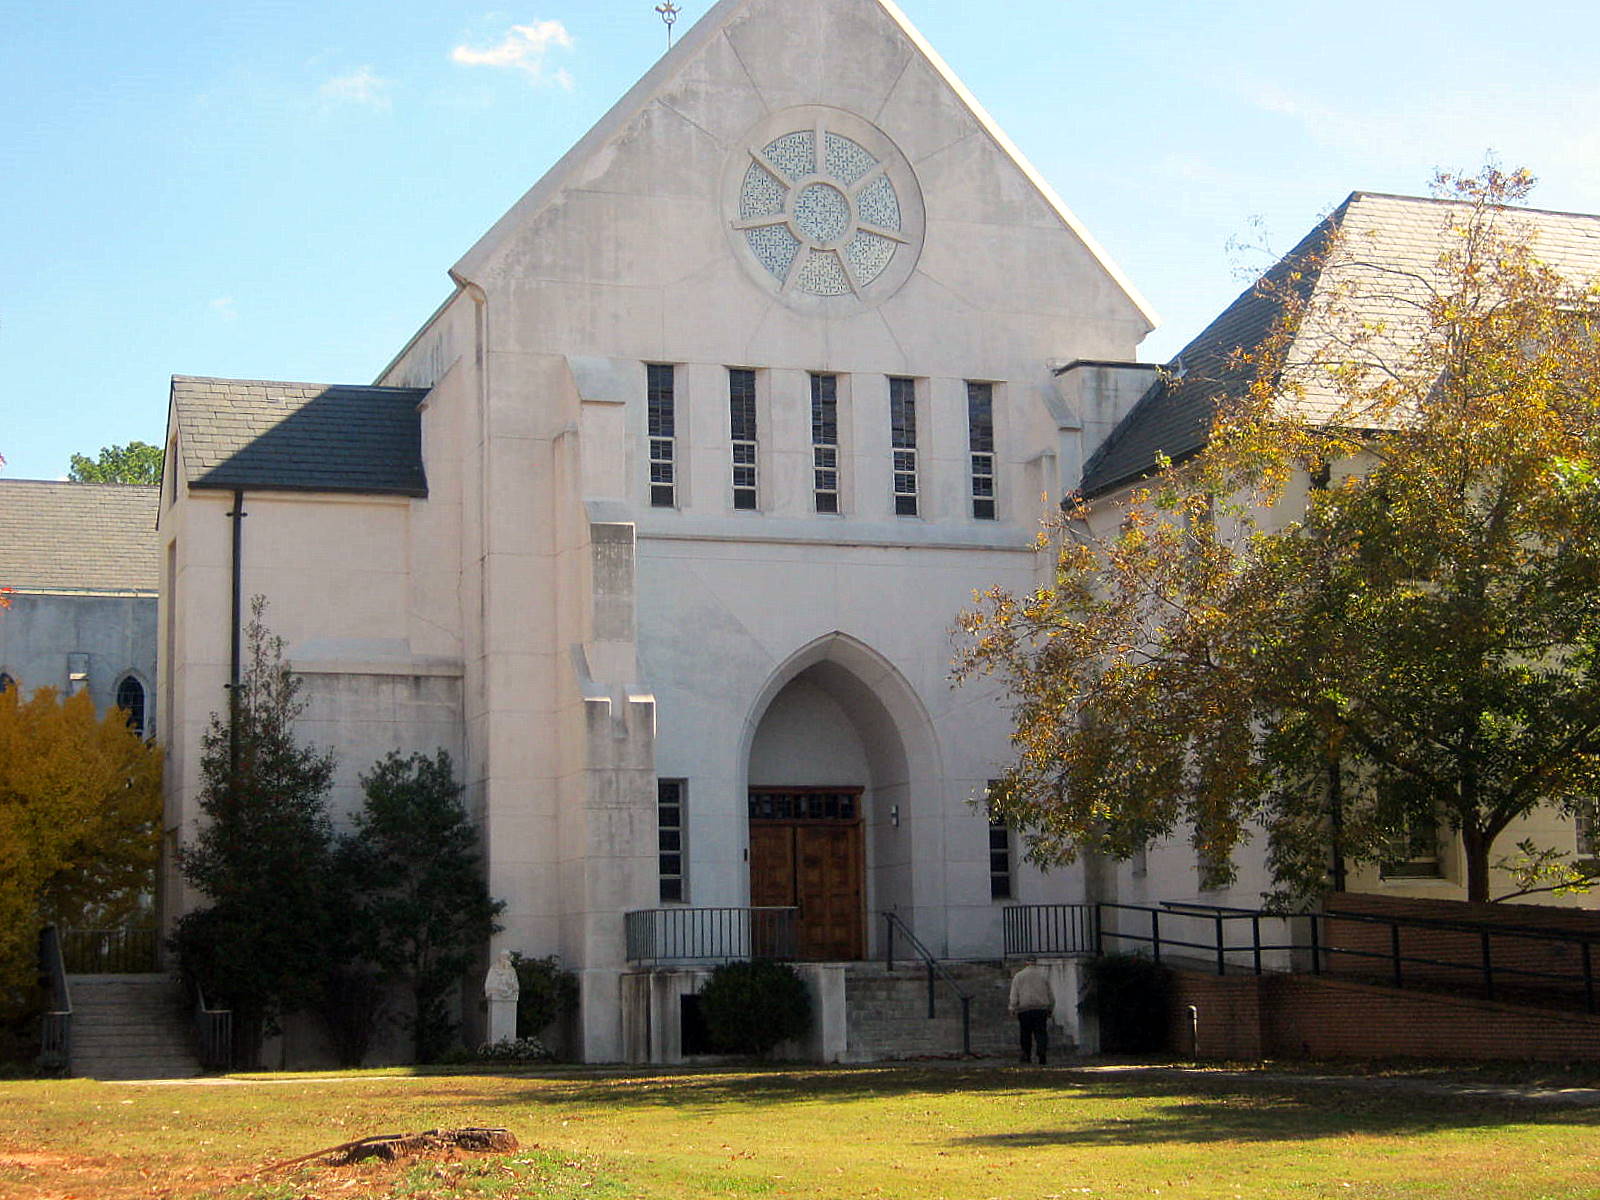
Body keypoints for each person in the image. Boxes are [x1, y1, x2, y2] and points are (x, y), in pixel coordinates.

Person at [1008, 957, 1054, 1065]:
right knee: (1041, 1032)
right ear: (1036, 963)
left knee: (1025, 1033)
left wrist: (1012, 1007)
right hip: (1040, 1008)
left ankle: (1026, 1054)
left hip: (1025, 1009)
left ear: (1026, 963)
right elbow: (1050, 994)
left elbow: (1014, 993)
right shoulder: (1042, 976)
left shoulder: (1019, 976)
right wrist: (1051, 1007)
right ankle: (1042, 1052)